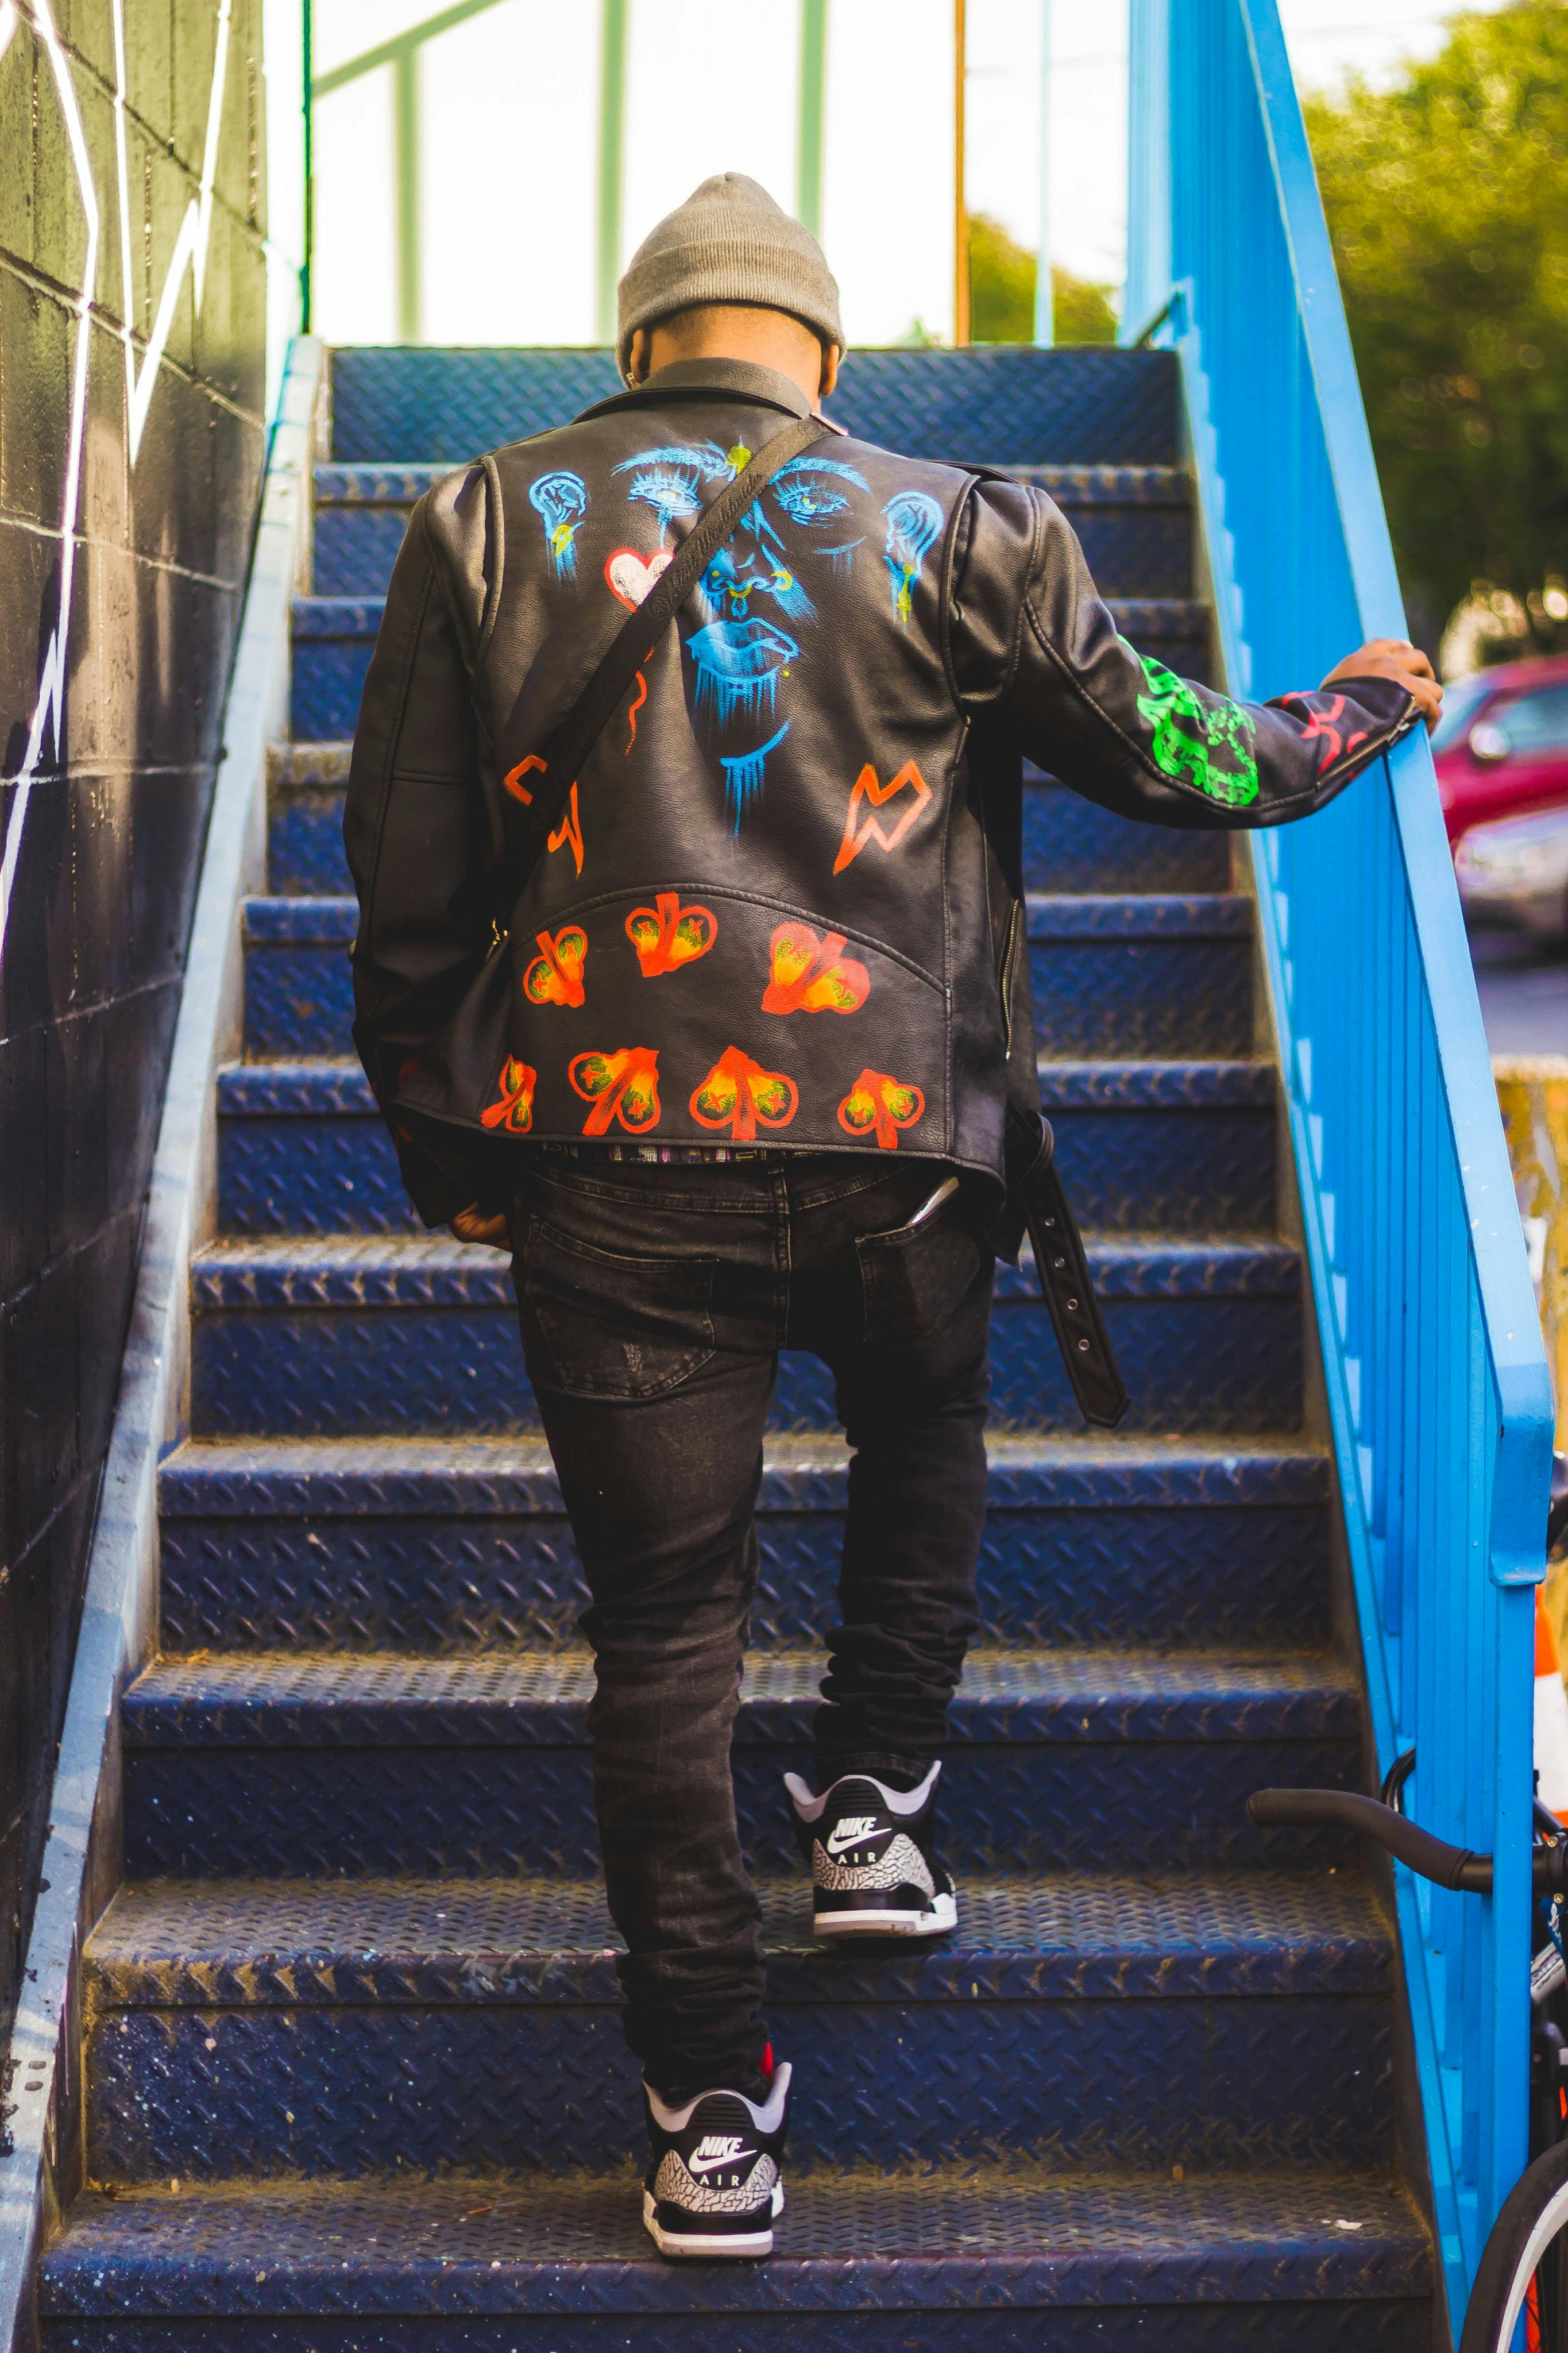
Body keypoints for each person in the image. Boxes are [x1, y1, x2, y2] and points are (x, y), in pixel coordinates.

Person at [344, 172, 1441, 2262]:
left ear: (638, 342)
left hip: (599, 1153)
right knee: (925, 1429)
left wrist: (449, 1146)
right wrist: (1356, 713)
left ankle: (704, 2124)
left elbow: (401, 889)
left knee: (659, 1640)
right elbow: (1185, 759)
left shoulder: (484, 518)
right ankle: (868, 1808)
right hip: (893, 1145)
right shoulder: (962, 520)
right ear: (820, 357)